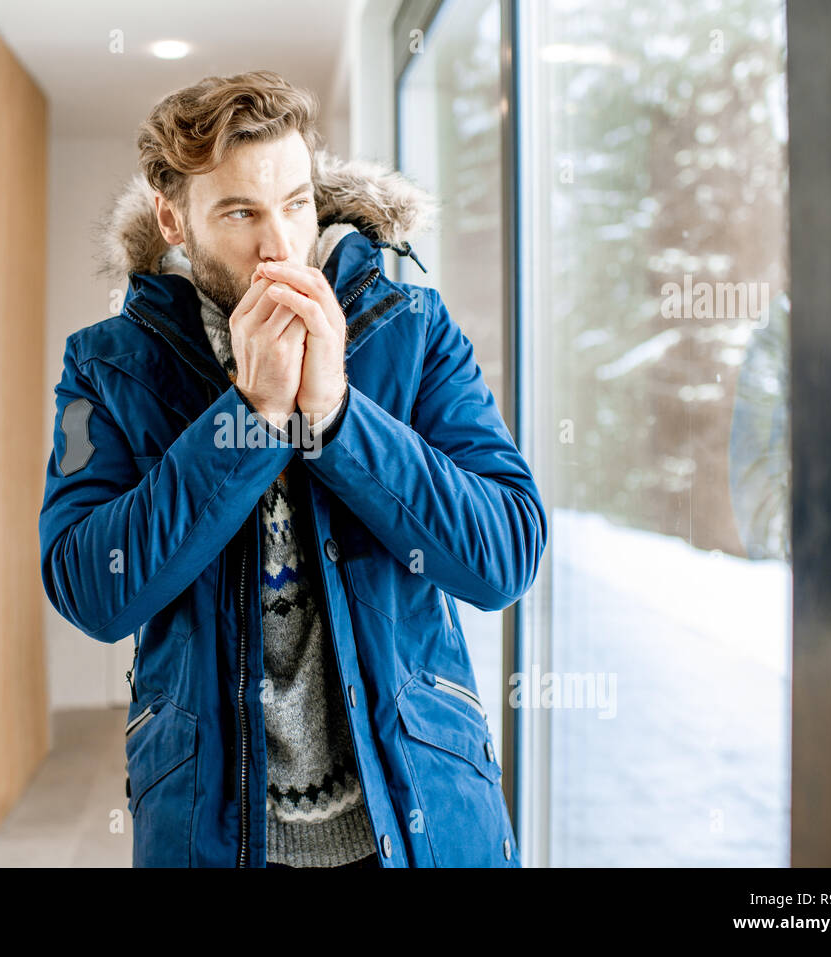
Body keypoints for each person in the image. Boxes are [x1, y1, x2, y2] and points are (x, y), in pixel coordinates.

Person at [39, 70, 547, 868]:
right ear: (175, 219)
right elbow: (91, 587)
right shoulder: (106, 366)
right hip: (212, 831)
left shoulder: (410, 327)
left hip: (419, 819)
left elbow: (504, 556)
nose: (281, 244)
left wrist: (339, 417)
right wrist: (249, 419)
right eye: (240, 212)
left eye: (298, 203)